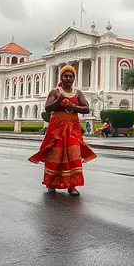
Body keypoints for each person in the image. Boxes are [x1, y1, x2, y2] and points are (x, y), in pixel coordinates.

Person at [28, 66, 96, 196]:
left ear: (74, 78)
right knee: (56, 155)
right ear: (61, 77)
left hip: (72, 127)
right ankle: (51, 183)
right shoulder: (55, 92)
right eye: (66, 76)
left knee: (73, 155)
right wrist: (59, 100)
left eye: (71, 76)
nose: (68, 78)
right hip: (57, 128)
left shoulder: (78, 93)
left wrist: (74, 106)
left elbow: (86, 108)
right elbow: (48, 109)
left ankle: (72, 185)